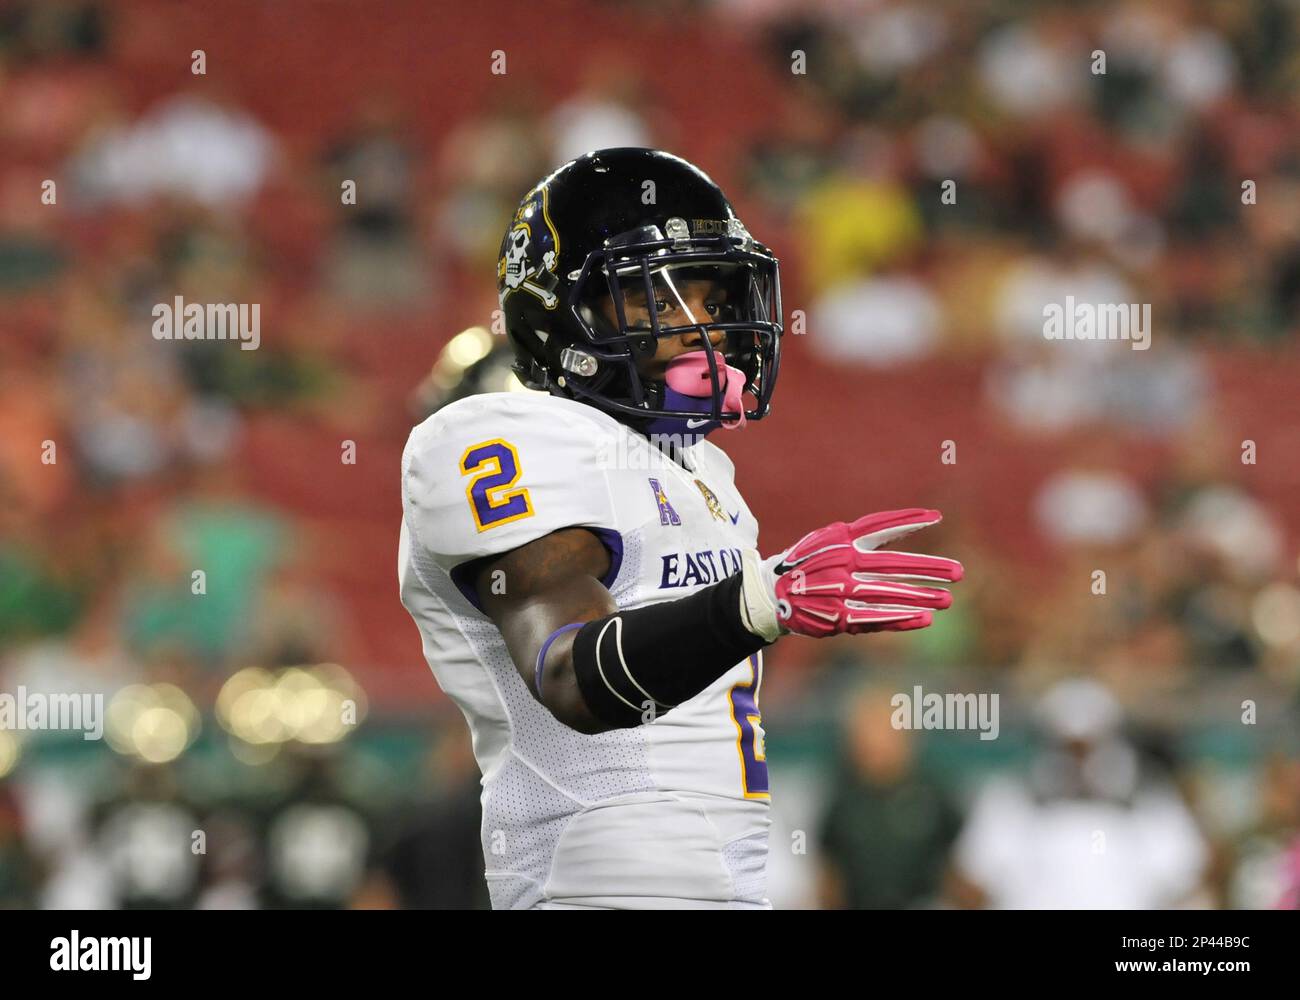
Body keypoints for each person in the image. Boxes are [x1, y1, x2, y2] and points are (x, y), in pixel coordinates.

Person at [397, 148, 963, 909]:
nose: (705, 330)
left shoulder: (700, 468)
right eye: (660, 301)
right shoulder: (502, 435)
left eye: (710, 296)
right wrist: (758, 604)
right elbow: (571, 676)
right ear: (564, 311)